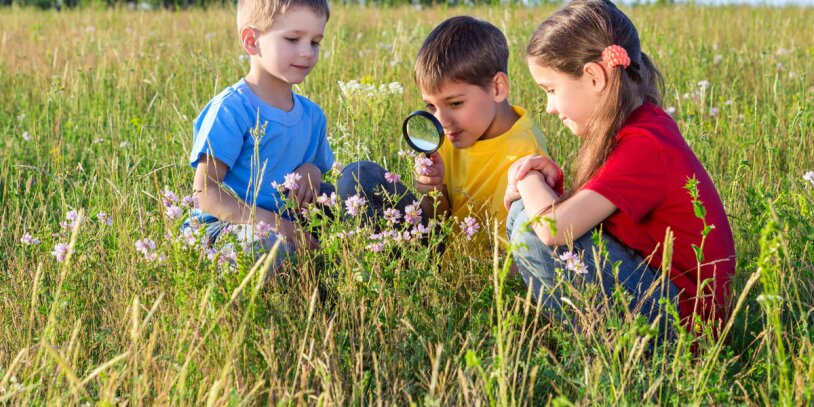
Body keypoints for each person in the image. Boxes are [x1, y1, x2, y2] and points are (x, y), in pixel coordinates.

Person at [505, 0, 735, 338]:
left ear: (595, 76)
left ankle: (607, 351)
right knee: (525, 214)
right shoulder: (637, 129)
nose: (550, 108)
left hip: (684, 326)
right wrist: (539, 187)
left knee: (530, 226)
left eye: (551, 91)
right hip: (663, 298)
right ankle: (580, 337)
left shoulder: (646, 145)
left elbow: (555, 229)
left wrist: (526, 177)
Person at [338, 16, 550, 250]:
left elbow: (511, 251)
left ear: (497, 87)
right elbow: (437, 219)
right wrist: (434, 190)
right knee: (357, 175)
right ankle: (368, 263)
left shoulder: (525, 154)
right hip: (436, 245)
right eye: (431, 107)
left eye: (456, 104)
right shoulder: (452, 133)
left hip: (477, 266)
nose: (442, 121)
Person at [184, 0, 334, 265]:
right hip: (226, 228)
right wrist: (280, 226)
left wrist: (312, 170)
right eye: (292, 39)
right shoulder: (232, 109)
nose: (307, 52)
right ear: (252, 41)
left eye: (315, 42)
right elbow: (205, 193)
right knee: (266, 249)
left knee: (352, 201)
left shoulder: (313, 116)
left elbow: (320, 173)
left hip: (290, 222)